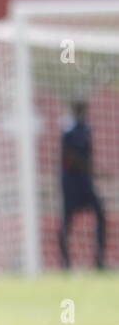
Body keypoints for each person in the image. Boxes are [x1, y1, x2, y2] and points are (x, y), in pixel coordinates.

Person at [59, 101, 107, 270]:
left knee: (100, 214)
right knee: (66, 222)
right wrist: (86, 166)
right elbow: (68, 158)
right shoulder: (67, 132)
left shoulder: (87, 129)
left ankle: (99, 259)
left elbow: (88, 155)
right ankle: (65, 263)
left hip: (85, 182)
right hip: (70, 183)